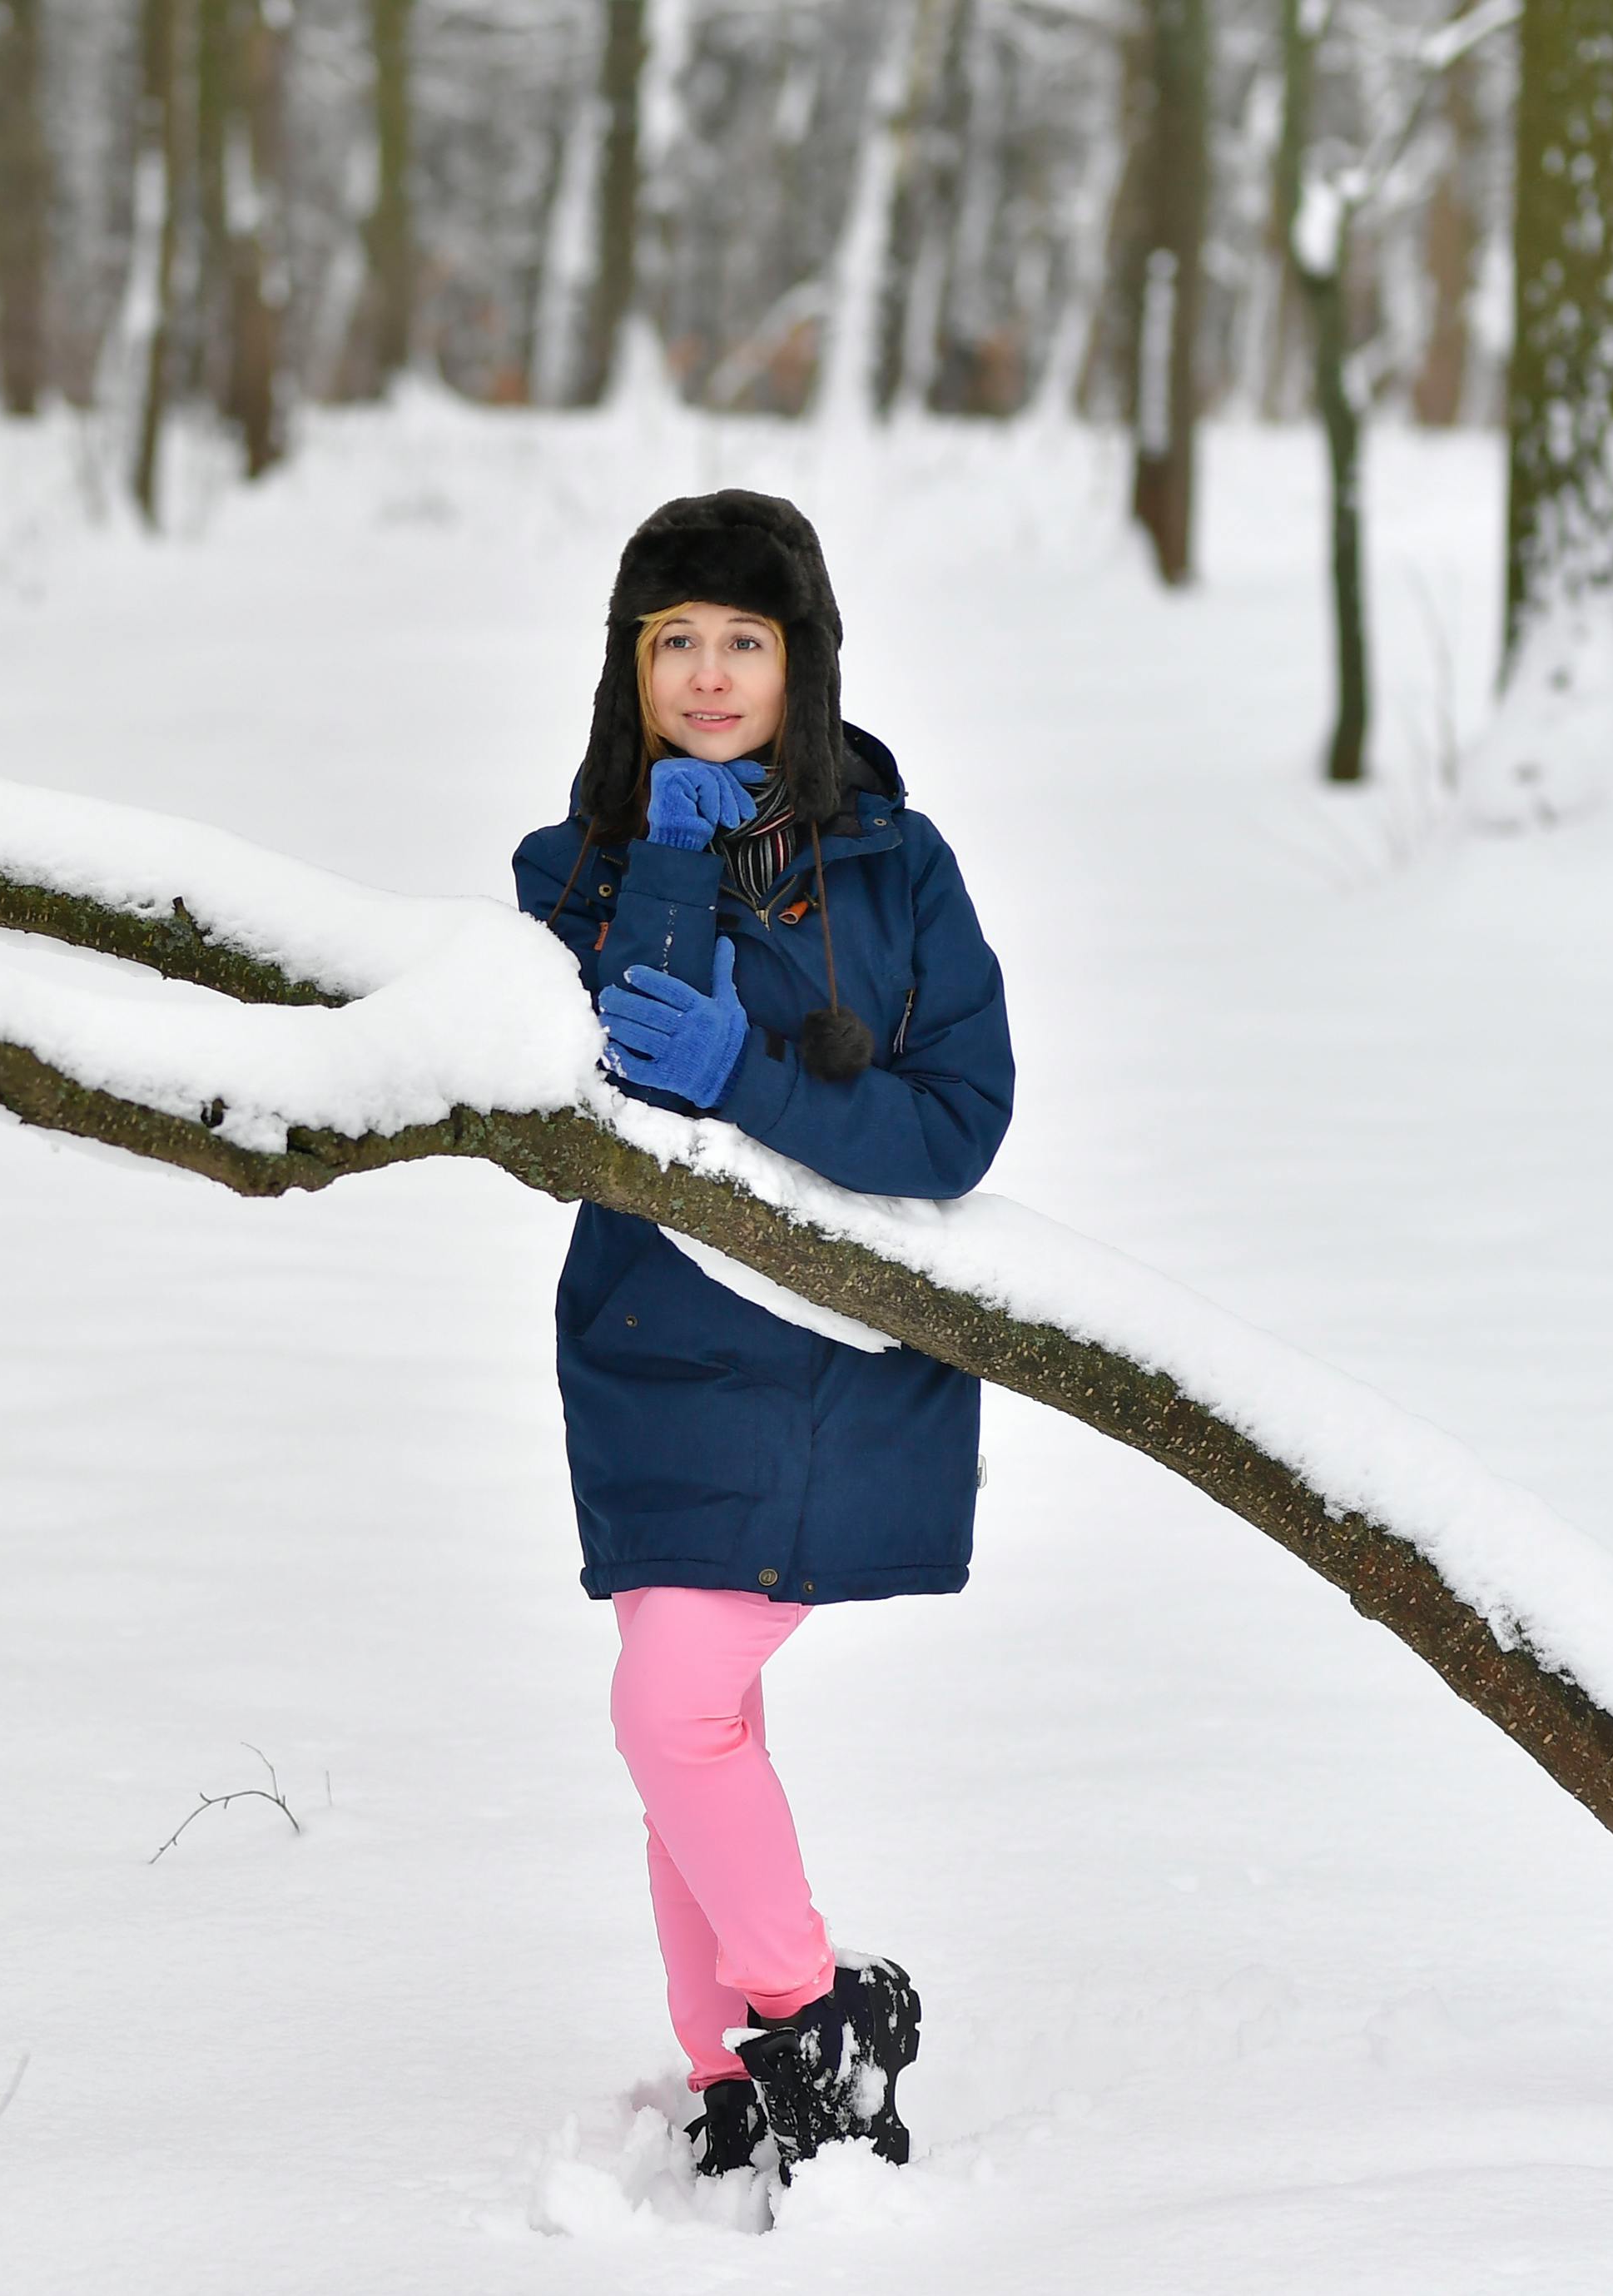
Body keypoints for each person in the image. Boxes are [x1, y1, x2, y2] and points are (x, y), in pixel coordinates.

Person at [510, 492, 1015, 2186]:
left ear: (799, 661)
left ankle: (802, 2019)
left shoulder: (897, 863)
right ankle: (731, 2068)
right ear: (627, 666)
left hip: (828, 1356)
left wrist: (758, 1072)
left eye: (743, 638)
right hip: (649, 1340)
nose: (710, 674)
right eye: (675, 641)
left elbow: (952, 1124)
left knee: (672, 1705)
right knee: (680, 1717)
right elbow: (618, 1073)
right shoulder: (565, 869)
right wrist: (667, 857)